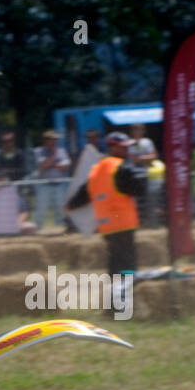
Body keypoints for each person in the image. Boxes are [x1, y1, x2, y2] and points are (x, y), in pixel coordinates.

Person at [66, 132, 147, 310]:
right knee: (128, 268)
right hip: (124, 224)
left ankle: (112, 307)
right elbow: (139, 189)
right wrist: (141, 173)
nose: (127, 149)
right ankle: (123, 308)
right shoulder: (121, 167)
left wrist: (70, 205)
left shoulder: (96, 170)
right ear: (113, 148)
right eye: (124, 147)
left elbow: (83, 195)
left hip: (107, 227)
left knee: (114, 267)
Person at [32, 130, 72, 229]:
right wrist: (54, 159)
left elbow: (66, 167)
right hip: (44, 185)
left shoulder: (62, 151)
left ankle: (60, 229)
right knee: (41, 209)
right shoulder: (38, 151)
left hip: (59, 185)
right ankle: (37, 229)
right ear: (45, 140)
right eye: (50, 139)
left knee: (60, 209)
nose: (53, 141)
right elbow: (43, 165)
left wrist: (51, 164)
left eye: (54, 139)